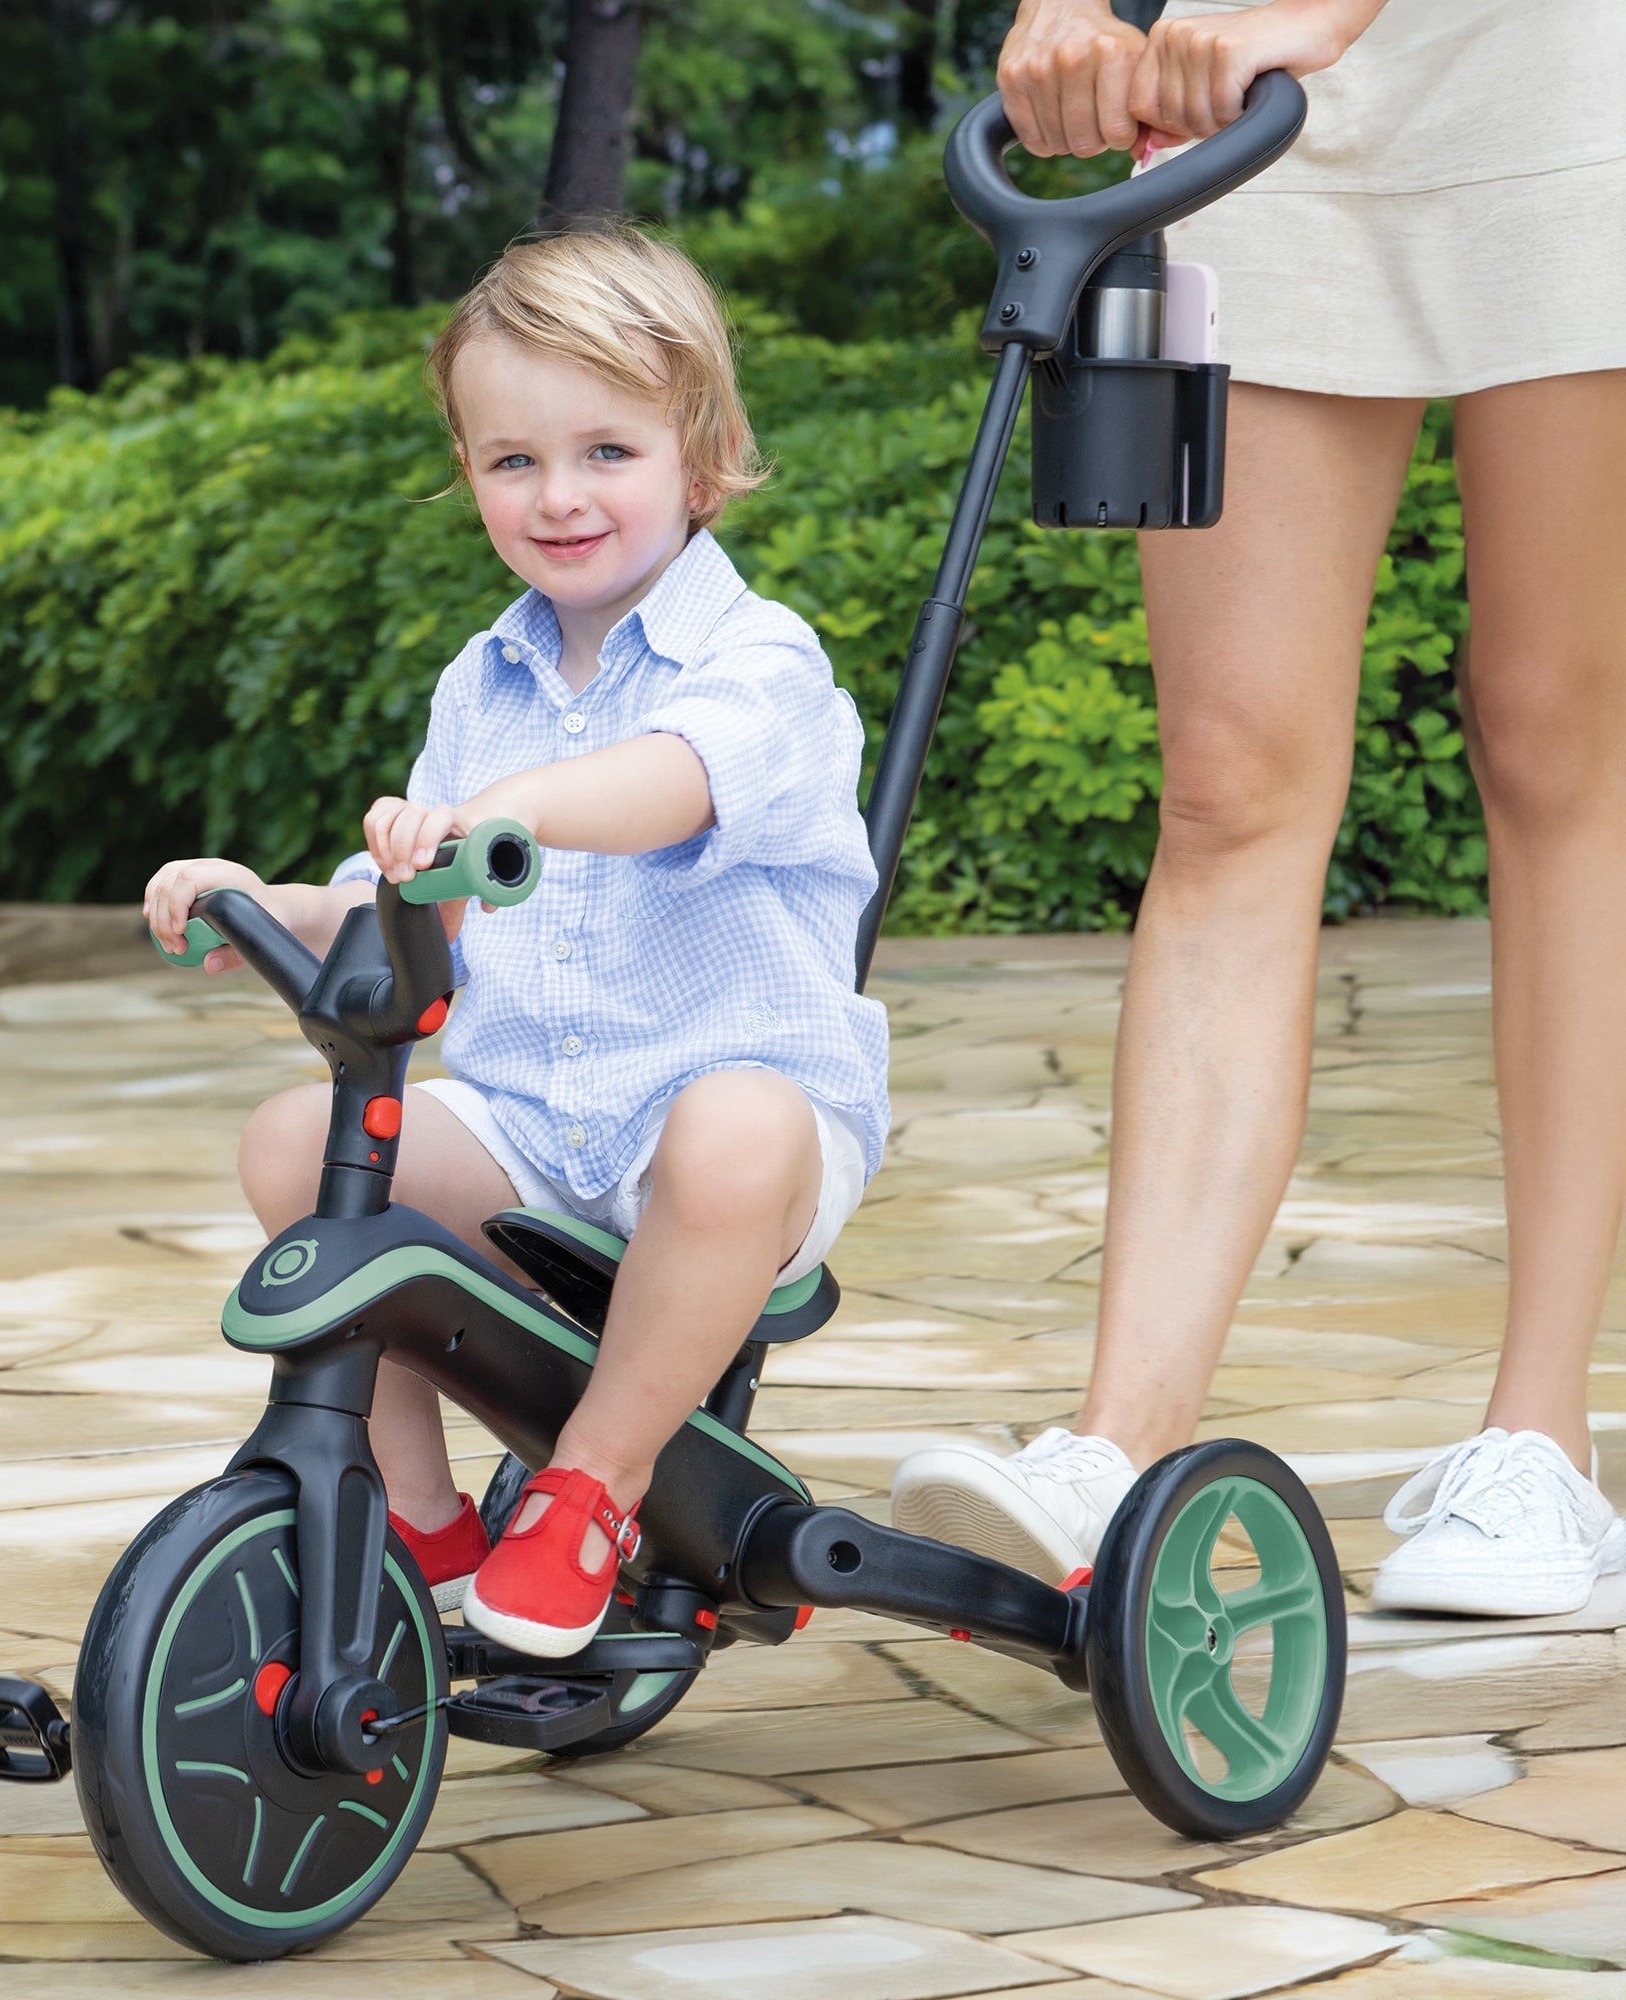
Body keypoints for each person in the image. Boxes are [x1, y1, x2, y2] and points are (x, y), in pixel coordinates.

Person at [895, 0, 1626, 1617]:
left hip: (1563, 67)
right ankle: (1120, 1442)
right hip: (1253, 96)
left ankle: (1540, 1441)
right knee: (1230, 785)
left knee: (1552, 738)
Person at [146, 228, 888, 1658]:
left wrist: (518, 811)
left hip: (731, 1145)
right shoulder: (478, 688)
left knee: (735, 1126)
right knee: (298, 1146)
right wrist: (279, 907)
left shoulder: (764, 664)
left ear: (706, 453)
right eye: (512, 461)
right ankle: (421, 1516)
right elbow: (417, 891)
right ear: (469, 471)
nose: (558, 497)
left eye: (607, 451)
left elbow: (675, 781)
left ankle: (592, 1489)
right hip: (534, 1136)